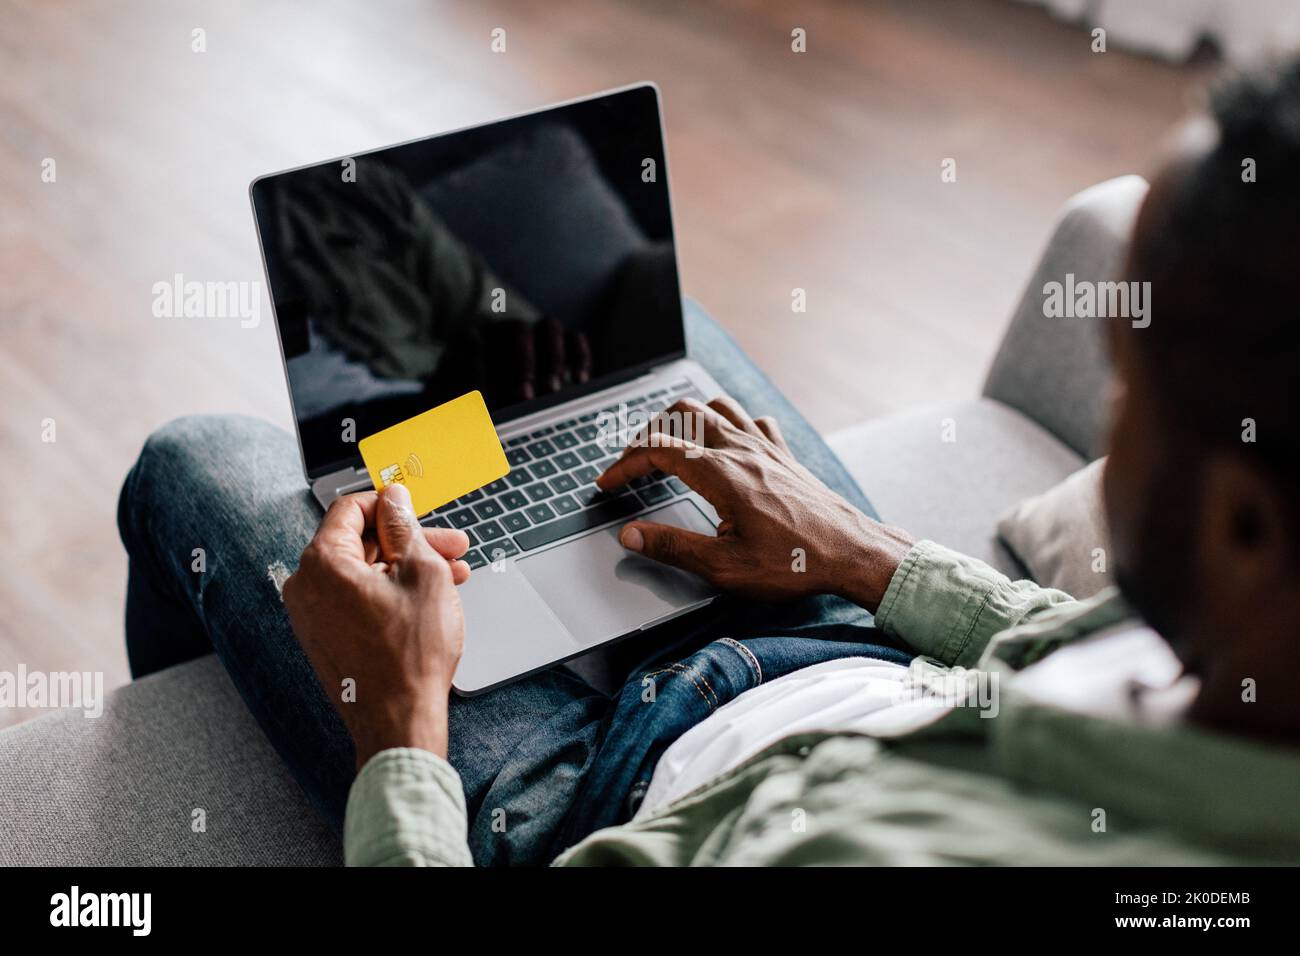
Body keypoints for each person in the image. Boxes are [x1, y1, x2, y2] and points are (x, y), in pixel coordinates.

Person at [119, 60, 1300, 866]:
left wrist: (398, 727)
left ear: (1242, 528)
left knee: (196, 459)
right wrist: (865, 552)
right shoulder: (1229, 657)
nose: (1113, 405)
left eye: (1128, 379)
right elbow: (1058, 636)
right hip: (841, 624)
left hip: (592, 787)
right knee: (625, 358)